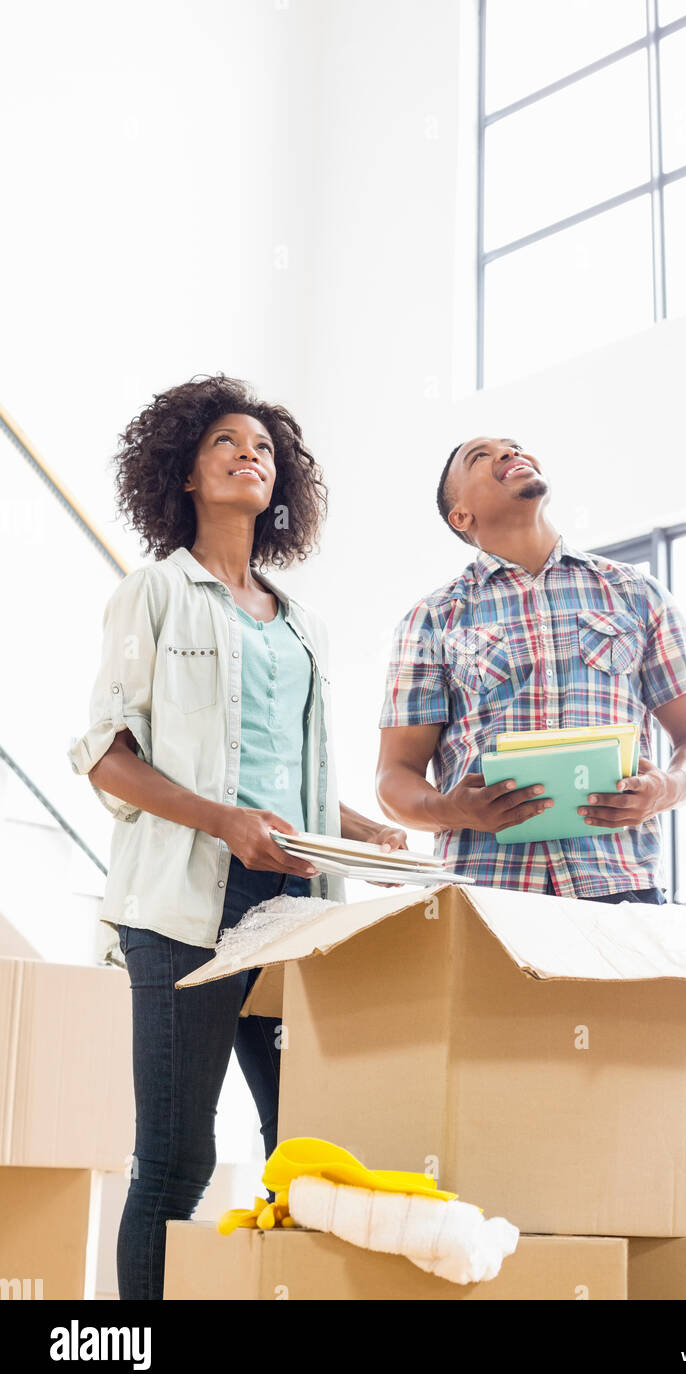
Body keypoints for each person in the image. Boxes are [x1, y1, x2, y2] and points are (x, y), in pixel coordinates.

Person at [68, 372, 407, 1300]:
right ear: (183, 471)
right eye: (224, 442)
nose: (246, 454)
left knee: (306, 1146)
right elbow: (105, 754)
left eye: (261, 447)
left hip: (296, 910)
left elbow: (289, 785)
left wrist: (364, 836)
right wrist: (225, 824)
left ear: (280, 482)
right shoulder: (153, 594)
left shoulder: (302, 627)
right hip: (186, 906)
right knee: (176, 1160)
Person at [376, 435, 686, 902]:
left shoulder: (636, 593)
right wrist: (453, 810)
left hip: (622, 886)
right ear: (461, 516)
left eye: (514, 447)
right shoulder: (432, 618)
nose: (508, 454)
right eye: (481, 457)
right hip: (485, 894)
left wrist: (668, 789)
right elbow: (394, 777)